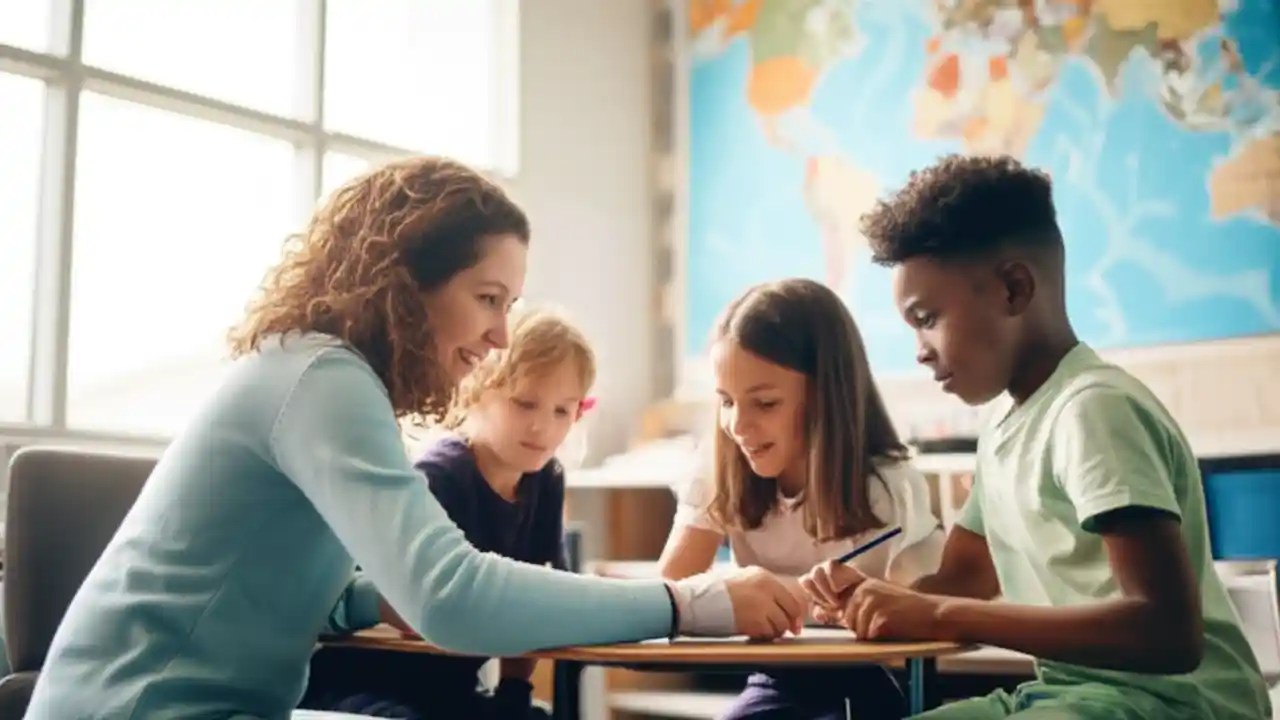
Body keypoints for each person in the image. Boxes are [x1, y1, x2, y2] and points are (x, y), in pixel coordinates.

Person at [25, 156, 806, 719]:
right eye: (488, 298)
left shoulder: (316, 374)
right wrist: (691, 603)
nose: (502, 334)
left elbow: (285, 583)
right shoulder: (322, 380)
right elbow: (451, 599)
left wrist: (369, 595)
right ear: (404, 288)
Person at [802, 155, 1271, 720]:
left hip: (1172, 706)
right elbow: (963, 580)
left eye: (926, 317)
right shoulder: (1003, 427)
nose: (920, 350)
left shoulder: (1093, 411)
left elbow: (1166, 632)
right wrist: (871, 600)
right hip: (1071, 700)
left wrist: (942, 615)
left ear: (1014, 289)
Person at [660, 278, 944, 719]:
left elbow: (877, 618)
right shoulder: (717, 468)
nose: (738, 426)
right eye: (726, 401)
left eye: (765, 403)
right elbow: (669, 592)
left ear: (826, 396)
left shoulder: (887, 488)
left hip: (861, 678)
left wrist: (747, 599)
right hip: (774, 677)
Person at [310, 307, 598, 718]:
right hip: (366, 684)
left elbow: (543, 595)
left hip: (450, 692)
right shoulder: (440, 477)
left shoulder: (545, 481)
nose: (543, 427)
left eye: (562, 410)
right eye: (525, 404)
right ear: (479, 390)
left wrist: (514, 690)